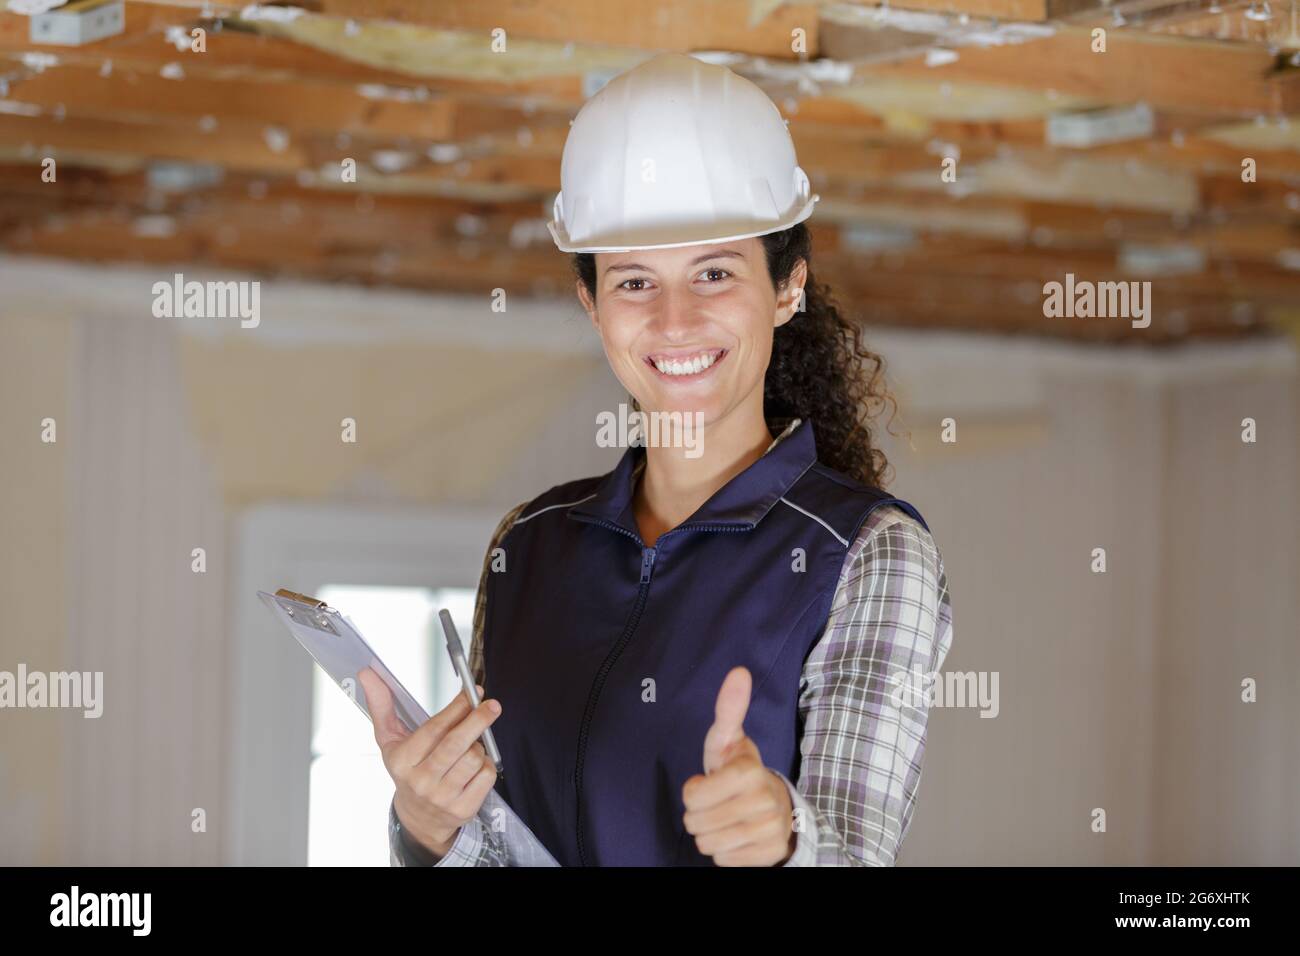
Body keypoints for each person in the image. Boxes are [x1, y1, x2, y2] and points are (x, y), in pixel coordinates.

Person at [361, 52, 954, 867]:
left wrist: (785, 842)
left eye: (714, 272)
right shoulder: (530, 544)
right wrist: (426, 828)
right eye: (635, 282)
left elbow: (854, 856)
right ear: (592, 306)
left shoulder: (867, 552)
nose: (675, 322)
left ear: (788, 289)